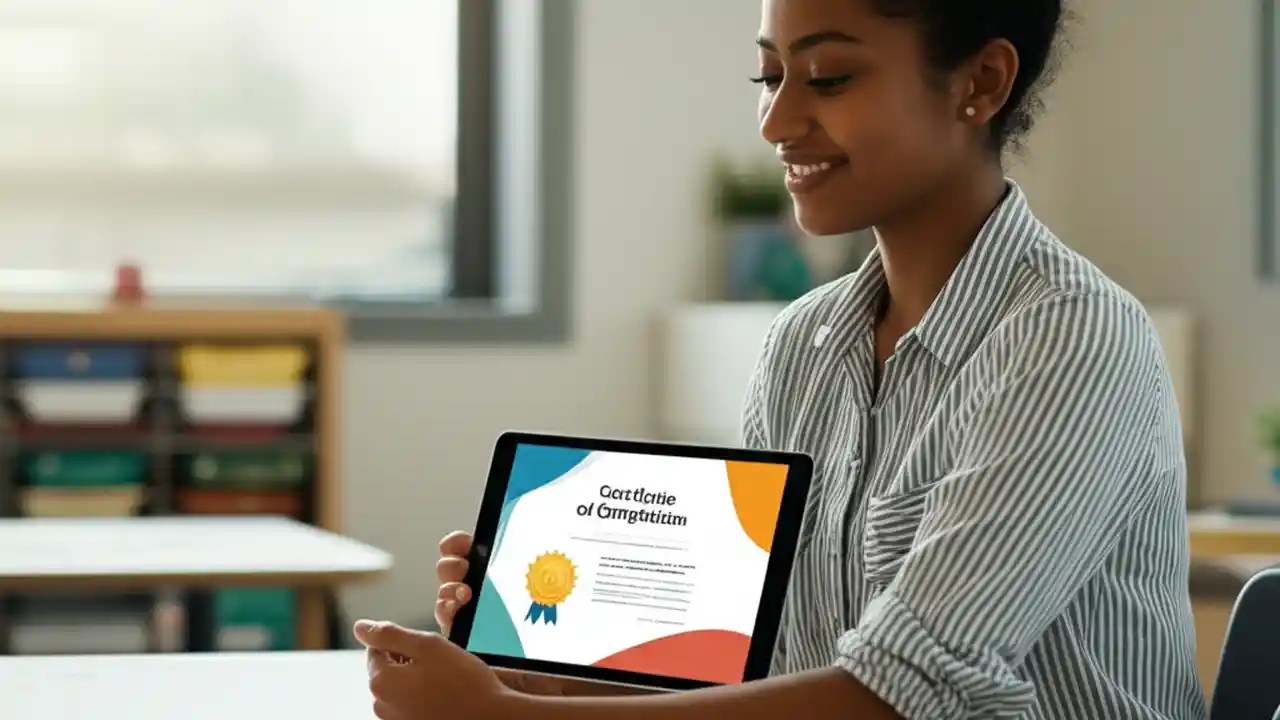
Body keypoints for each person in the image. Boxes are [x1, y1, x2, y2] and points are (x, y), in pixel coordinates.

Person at [354, 0, 1210, 717]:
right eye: (770, 77)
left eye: (829, 78)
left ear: (980, 84)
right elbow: (763, 677)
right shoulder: (802, 345)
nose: (776, 120)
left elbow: (898, 695)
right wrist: (539, 673)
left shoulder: (1073, 339)